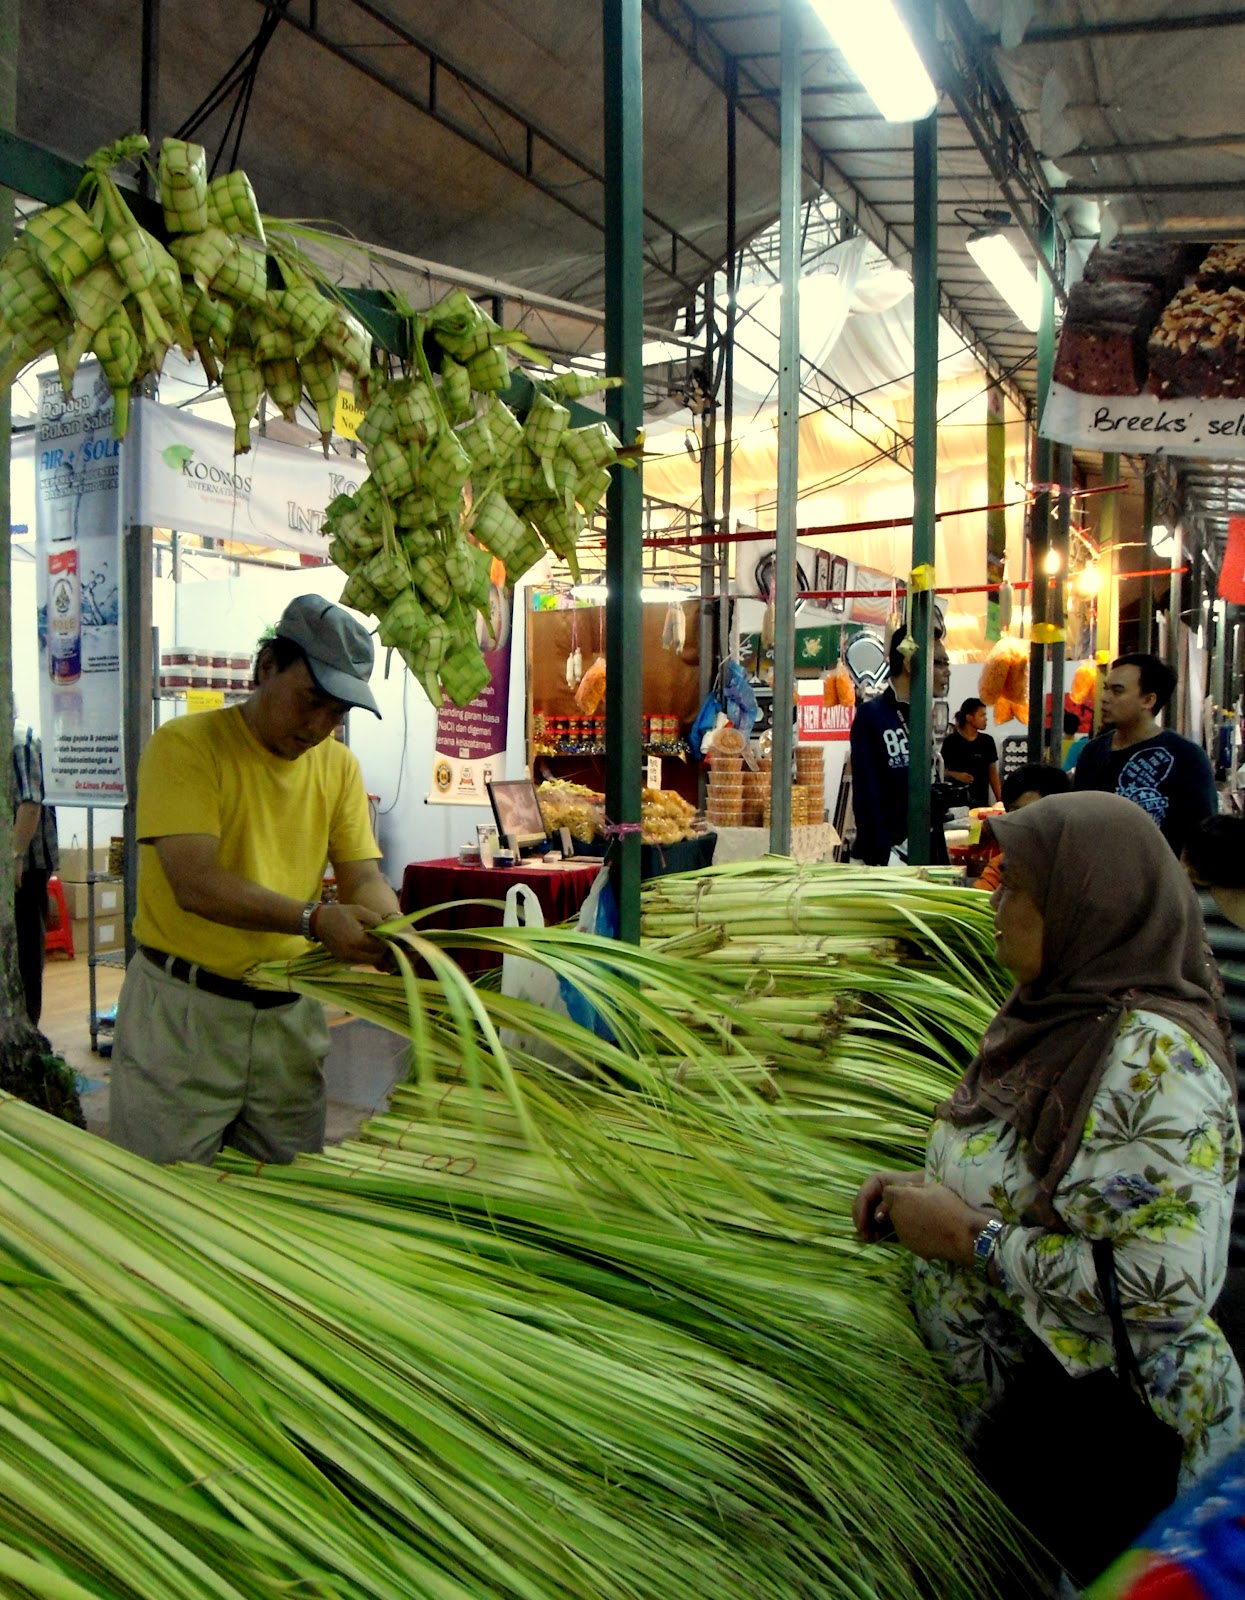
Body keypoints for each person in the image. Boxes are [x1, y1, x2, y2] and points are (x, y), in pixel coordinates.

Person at [853, 792, 1242, 1587]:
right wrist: (918, 1194)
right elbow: (1029, 1179)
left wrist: (970, 1240)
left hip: (1104, 1449)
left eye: (1014, 884)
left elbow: (1163, 1286)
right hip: (1025, 1427)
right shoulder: (1053, 1015)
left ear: (1081, 899)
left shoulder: (1154, 1064)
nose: (993, 900)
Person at [110, 595, 402, 1166]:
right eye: (310, 700)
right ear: (266, 667)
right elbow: (194, 882)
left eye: (337, 712)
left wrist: (392, 925)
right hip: (186, 1015)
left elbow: (362, 874)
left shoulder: (338, 767)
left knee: (281, 1202)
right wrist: (313, 920)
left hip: (288, 1017)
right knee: (163, 1204)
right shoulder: (187, 746)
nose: (319, 726)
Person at [1073, 653, 1218, 856]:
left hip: (1160, 881)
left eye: (1117, 691)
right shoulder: (1092, 752)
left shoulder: (1186, 756)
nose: (1104, 698)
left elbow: (1203, 833)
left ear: (1148, 700)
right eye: (1106, 688)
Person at [849, 625, 952, 866]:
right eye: (939, 663)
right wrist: (882, 855)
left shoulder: (921, 715)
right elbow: (867, 795)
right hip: (886, 859)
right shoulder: (872, 716)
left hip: (923, 847)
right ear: (908, 663)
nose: (946, 672)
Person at [11, 713, 59, 1027]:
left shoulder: (19, 742)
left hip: (25, 866)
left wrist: (14, 857)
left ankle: (28, 1028)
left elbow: (31, 804)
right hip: (16, 863)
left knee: (26, 953)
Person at [973, 762, 1071, 893]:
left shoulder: (1080, 869)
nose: (1020, 824)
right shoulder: (1005, 865)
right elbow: (982, 895)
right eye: (1014, 813)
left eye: (1031, 814)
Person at [941, 697, 1002, 807]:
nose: (986, 719)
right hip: (956, 803)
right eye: (982, 715)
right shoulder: (951, 741)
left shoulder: (987, 741)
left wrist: (1000, 801)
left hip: (981, 802)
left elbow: (993, 774)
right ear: (969, 717)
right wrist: (956, 775)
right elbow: (941, 771)